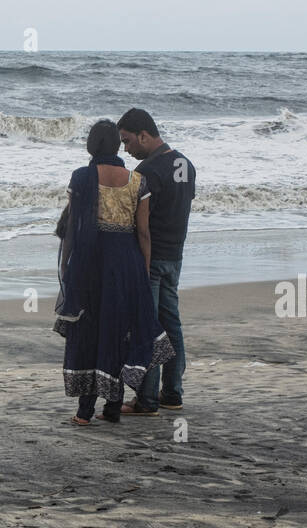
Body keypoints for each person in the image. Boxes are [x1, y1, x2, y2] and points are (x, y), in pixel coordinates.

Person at [54, 120, 174, 425]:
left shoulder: (81, 177)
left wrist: (67, 266)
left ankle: (84, 412)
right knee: (118, 329)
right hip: (126, 263)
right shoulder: (136, 181)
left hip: (91, 263)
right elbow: (143, 233)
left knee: (90, 329)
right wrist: (143, 272)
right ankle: (112, 408)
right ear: (117, 146)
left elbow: (71, 230)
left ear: (92, 146)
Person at [116, 108, 195, 415]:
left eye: (127, 140)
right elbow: (181, 210)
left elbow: (140, 223)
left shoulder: (146, 171)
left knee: (147, 328)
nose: (126, 148)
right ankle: (172, 393)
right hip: (175, 255)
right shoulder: (186, 164)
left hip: (150, 258)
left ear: (144, 135)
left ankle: (146, 399)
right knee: (171, 324)